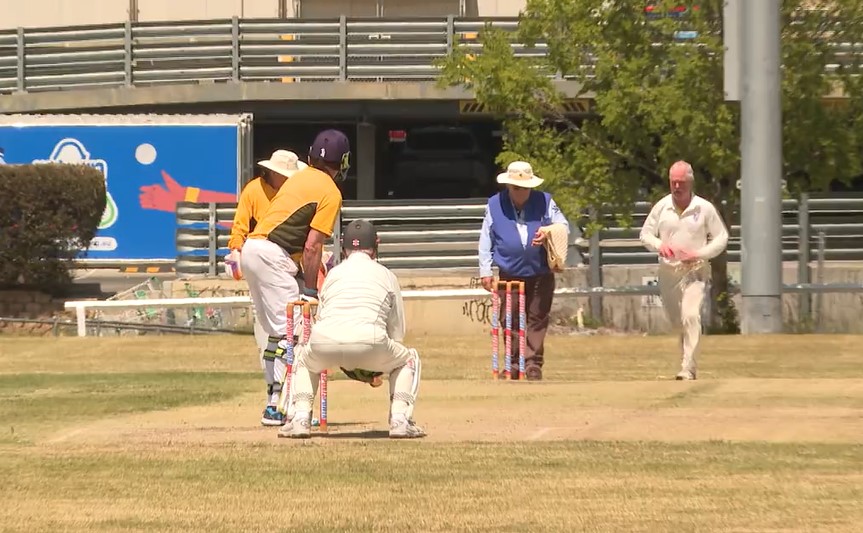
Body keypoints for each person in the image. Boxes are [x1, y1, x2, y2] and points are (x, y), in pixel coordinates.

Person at [279, 219, 425, 440]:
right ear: (377, 244)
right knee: (408, 359)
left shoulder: (332, 276)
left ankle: (300, 418)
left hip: (324, 341)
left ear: (342, 245)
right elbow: (397, 333)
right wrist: (373, 365)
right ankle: (400, 420)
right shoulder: (387, 275)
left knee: (302, 357)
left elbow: (324, 319)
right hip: (372, 342)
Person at [240, 130, 349, 426]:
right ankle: (294, 408)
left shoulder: (298, 178)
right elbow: (312, 246)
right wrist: (311, 290)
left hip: (252, 250)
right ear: (344, 162)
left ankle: (274, 404)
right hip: (273, 256)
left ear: (311, 156)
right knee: (299, 336)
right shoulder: (331, 192)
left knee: (277, 335)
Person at [224, 150, 306, 400]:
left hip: (290, 267)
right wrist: (236, 251)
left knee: (294, 333)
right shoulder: (253, 190)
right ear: (272, 172)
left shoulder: (295, 193)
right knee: (273, 335)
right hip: (262, 264)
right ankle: (276, 393)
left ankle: (290, 393)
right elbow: (239, 226)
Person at [478, 161, 570, 381]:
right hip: (509, 272)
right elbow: (485, 239)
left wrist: (548, 232)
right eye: (516, 187)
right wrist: (485, 270)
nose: (520, 192)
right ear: (508, 186)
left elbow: (563, 226)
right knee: (509, 318)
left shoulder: (545, 201)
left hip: (540, 271)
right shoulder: (494, 204)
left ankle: (532, 364)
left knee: (537, 318)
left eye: (525, 187)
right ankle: (512, 364)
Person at [639, 160, 729, 380]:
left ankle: (688, 368)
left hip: (695, 270)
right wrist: (661, 246)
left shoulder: (704, 207)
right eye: (673, 182)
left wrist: (700, 254)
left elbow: (722, 237)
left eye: (681, 182)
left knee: (691, 315)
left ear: (690, 182)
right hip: (669, 271)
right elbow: (645, 234)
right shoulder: (662, 207)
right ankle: (685, 361)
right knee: (677, 322)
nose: (677, 187)